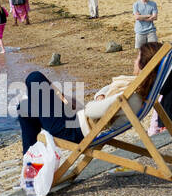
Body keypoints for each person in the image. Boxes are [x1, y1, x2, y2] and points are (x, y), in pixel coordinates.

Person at [17, 44, 159, 152]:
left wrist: (88, 102)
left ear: (143, 65)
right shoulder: (137, 90)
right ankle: (30, 168)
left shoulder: (132, 97)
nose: (134, 61)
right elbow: (105, 90)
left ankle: (31, 169)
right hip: (77, 122)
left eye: (137, 58)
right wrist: (101, 97)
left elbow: (91, 110)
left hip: (73, 131)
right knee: (25, 108)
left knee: (34, 77)